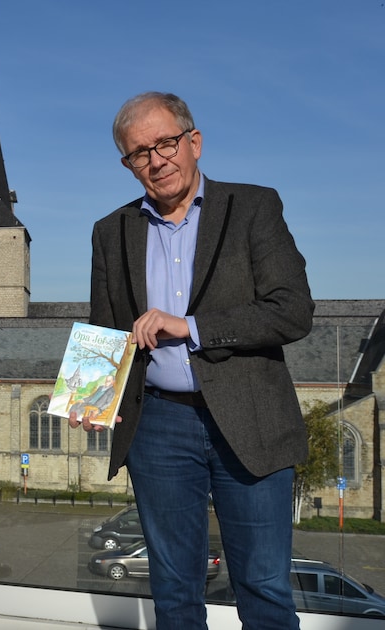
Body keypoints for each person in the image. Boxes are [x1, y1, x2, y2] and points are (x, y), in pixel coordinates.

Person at [78, 92, 313, 629]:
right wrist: (92, 394)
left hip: (249, 417)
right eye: (139, 153)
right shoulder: (110, 231)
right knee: (175, 591)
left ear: (194, 142)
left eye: (166, 143)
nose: (156, 159)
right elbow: (108, 329)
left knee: (265, 588)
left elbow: (293, 311)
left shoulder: (253, 207)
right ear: (127, 164)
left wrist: (193, 327)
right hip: (158, 426)